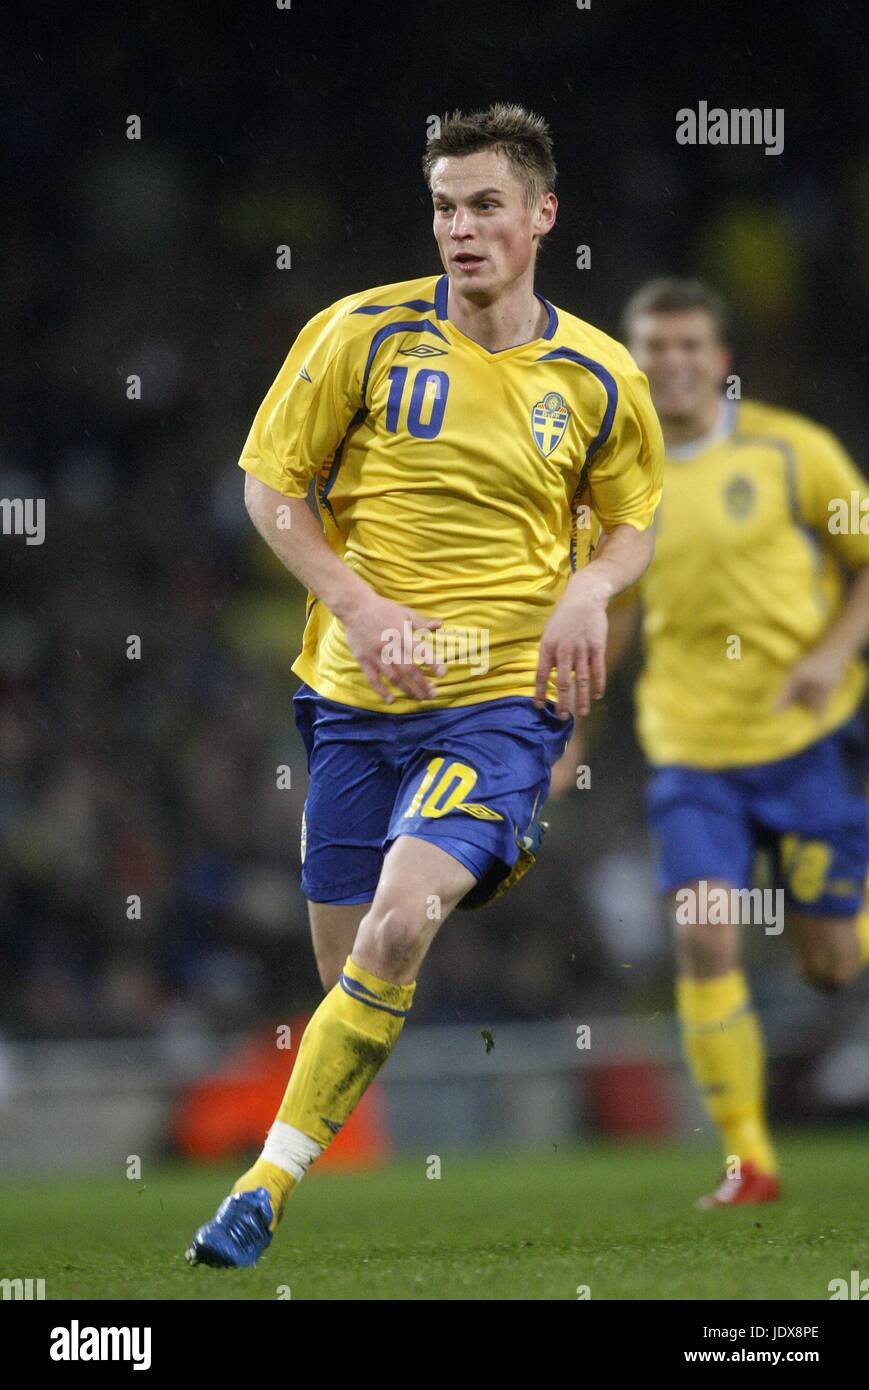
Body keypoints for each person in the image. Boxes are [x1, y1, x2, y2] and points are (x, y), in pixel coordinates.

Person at [186, 104, 663, 1266]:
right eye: (444, 206)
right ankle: (462, 863)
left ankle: (260, 1189)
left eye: (485, 204)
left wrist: (590, 589)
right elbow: (269, 491)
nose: (460, 227)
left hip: (501, 702)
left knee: (398, 925)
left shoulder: (600, 377)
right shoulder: (356, 335)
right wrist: (361, 606)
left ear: (541, 215)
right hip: (352, 704)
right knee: (350, 972)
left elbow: (633, 522)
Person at [554, 277, 869, 1207]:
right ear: (634, 363)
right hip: (691, 756)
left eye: (690, 345)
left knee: (829, 966)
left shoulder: (792, 451)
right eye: (653, 347)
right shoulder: (622, 486)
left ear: (719, 361)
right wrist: (571, 732)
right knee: (700, 933)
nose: (673, 362)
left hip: (805, 743)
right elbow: (611, 617)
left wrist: (829, 655)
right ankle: (748, 1160)